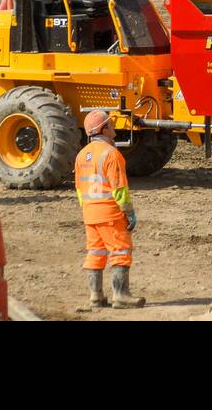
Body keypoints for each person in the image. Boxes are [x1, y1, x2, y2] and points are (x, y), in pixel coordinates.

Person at [74, 110, 144, 309]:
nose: (113, 128)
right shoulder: (112, 154)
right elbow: (119, 188)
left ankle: (95, 297)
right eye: (110, 125)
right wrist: (128, 212)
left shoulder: (81, 156)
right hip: (110, 214)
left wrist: (88, 209)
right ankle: (121, 295)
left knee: (95, 253)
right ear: (104, 129)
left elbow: (79, 188)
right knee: (120, 251)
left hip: (89, 214)